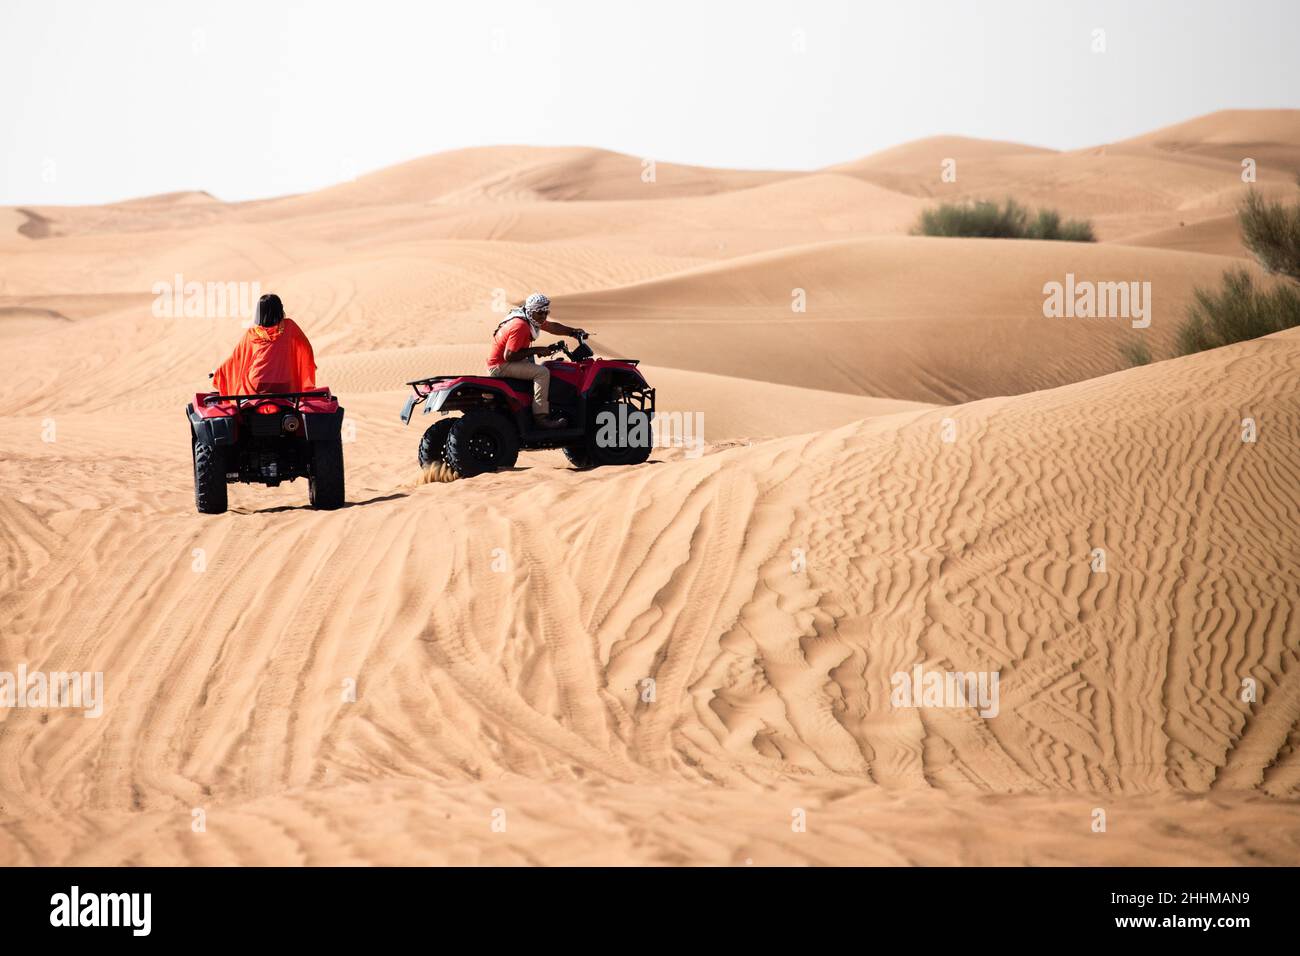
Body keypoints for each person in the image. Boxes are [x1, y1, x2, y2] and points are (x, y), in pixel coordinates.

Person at [486, 292, 586, 428]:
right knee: (542, 372)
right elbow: (509, 356)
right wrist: (537, 350)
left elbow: (552, 327)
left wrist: (573, 332)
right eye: (540, 313)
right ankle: (541, 417)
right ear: (531, 311)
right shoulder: (520, 326)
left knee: (537, 365)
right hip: (500, 365)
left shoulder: (529, 317)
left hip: (506, 361)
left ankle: (529, 405)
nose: (543, 317)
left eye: (546, 312)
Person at [212, 293, 317, 396]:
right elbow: (306, 348)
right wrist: (308, 364)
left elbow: (235, 360)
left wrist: (218, 372)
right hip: (285, 386)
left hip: (256, 386)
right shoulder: (289, 327)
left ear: (259, 312)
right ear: (279, 309)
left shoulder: (252, 334)